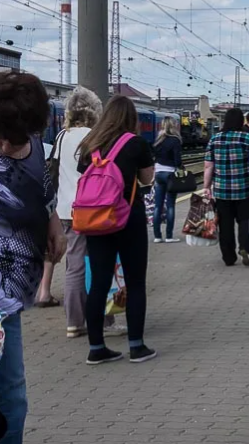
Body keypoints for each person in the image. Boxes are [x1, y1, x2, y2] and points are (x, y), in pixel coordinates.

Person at [0, 71, 68, 443]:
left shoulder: (37, 145)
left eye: (13, 139)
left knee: (11, 399)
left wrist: (53, 222)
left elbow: (43, 189)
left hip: (7, 303)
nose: (4, 145)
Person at [77, 95, 156, 365]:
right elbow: (147, 179)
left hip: (95, 219)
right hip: (127, 218)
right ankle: (136, 346)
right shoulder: (136, 143)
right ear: (131, 118)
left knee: (99, 284)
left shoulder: (90, 145)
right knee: (135, 282)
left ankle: (96, 347)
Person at [48, 86, 126, 340]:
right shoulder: (96, 137)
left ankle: (73, 322)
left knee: (74, 266)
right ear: (95, 112)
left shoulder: (61, 137)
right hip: (93, 209)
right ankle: (104, 319)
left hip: (65, 211)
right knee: (100, 264)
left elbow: (53, 172)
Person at [203, 108, 249, 267]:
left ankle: (228, 257)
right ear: (240, 122)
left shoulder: (214, 139)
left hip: (222, 191)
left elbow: (208, 166)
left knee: (225, 224)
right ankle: (244, 247)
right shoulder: (246, 138)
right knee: (245, 221)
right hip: (244, 189)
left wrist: (206, 187)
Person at [152, 117, 183, 244]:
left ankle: (157, 236)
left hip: (158, 173)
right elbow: (177, 161)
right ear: (173, 126)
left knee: (158, 206)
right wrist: (180, 166)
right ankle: (169, 236)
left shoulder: (158, 141)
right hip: (170, 174)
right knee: (170, 205)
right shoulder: (175, 140)